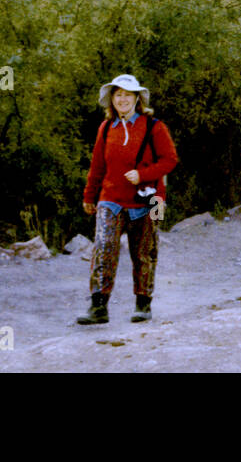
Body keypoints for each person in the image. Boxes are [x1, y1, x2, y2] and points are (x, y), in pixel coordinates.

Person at [77, 73, 178, 325]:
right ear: (111, 99)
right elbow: (97, 166)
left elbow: (170, 160)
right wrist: (89, 195)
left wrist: (143, 174)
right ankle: (98, 307)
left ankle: (143, 304)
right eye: (118, 94)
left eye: (127, 95)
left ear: (137, 99)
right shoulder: (105, 128)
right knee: (103, 248)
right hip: (110, 198)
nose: (122, 99)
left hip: (152, 200)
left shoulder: (155, 126)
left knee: (146, 252)